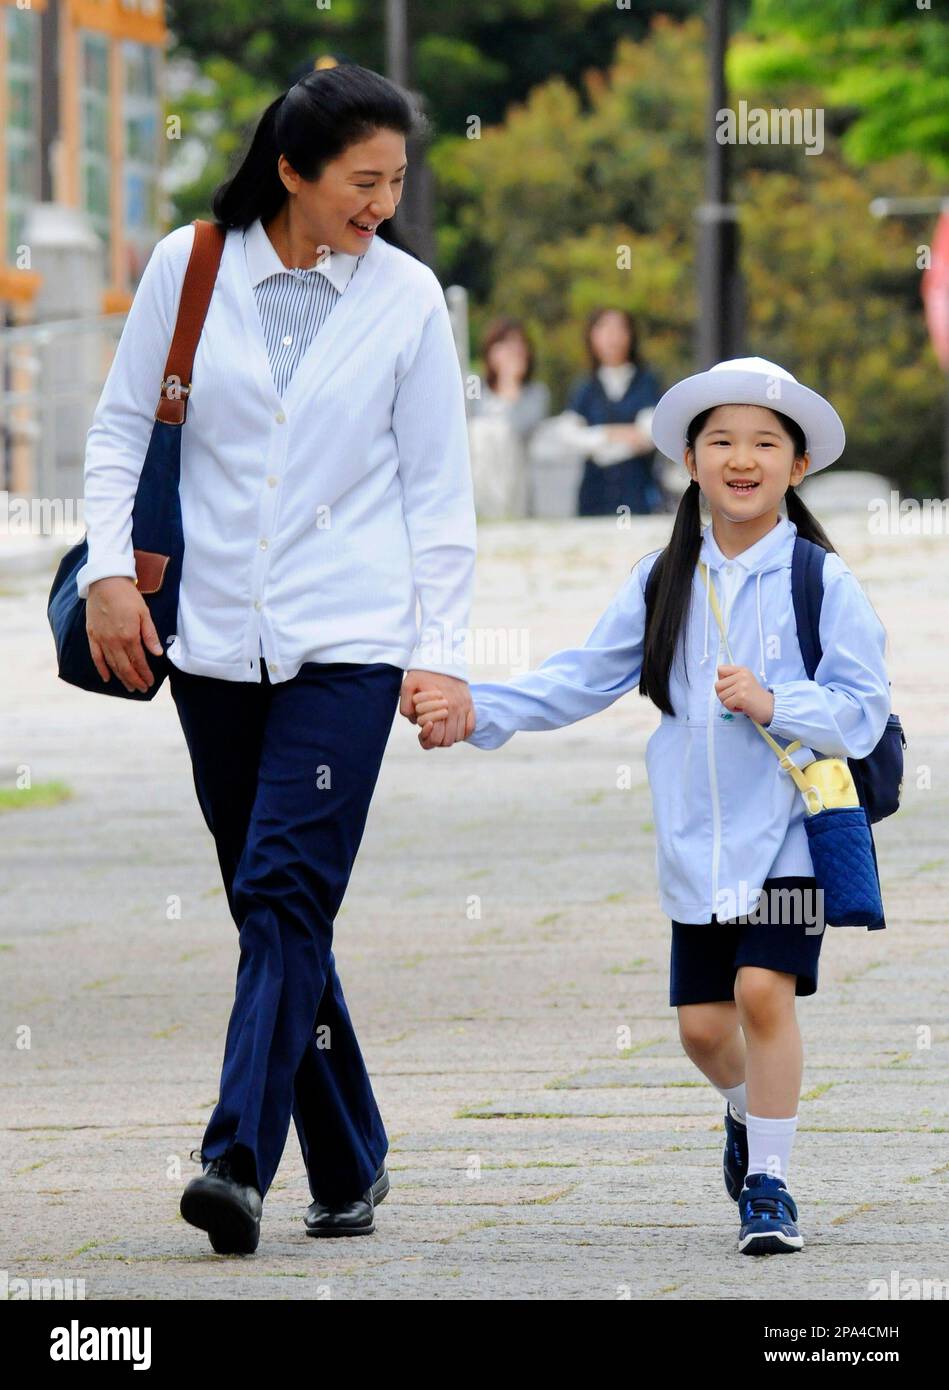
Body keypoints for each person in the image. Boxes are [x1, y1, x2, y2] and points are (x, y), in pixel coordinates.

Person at [77, 64, 477, 1252]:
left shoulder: (408, 296)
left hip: (348, 644)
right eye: (363, 181)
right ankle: (350, 1156)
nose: (383, 202)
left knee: (284, 892)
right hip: (209, 644)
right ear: (293, 171)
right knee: (273, 908)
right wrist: (107, 568)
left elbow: (438, 491)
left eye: (398, 180)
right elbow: (116, 427)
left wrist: (442, 655)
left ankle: (234, 1158)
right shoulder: (189, 265)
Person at [412, 357, 892, 1257]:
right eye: (720, 442)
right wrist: (478, 707)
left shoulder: (821, 582)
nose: (740, 458)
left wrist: (775, 701)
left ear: (796, 466)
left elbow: (863, 712)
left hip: (792, 832)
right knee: (705, 1032)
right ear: (687, 458)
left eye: (763, 444)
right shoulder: (660, 579)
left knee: (761, 993)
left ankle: (770, 1186)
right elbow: (581, 678)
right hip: (697, 846)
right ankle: (748, 1119)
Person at [564, 307, 663, 517]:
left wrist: (597, 442)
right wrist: (616, 434)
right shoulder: (585, 387)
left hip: (637, 492)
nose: (612, 337)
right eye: (604, 329)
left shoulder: (646, 382)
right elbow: (570, 437)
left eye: (619, 329)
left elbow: (648, 434)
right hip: (594, 495)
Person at [468, 317, 550, 518]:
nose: (513, 352)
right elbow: (468, 425)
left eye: (519, 344)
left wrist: (510, 383)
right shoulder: (473, 385)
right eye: (505, 344)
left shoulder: (536, 393)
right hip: (476, 482)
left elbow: (519, 428)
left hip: (517, 485)